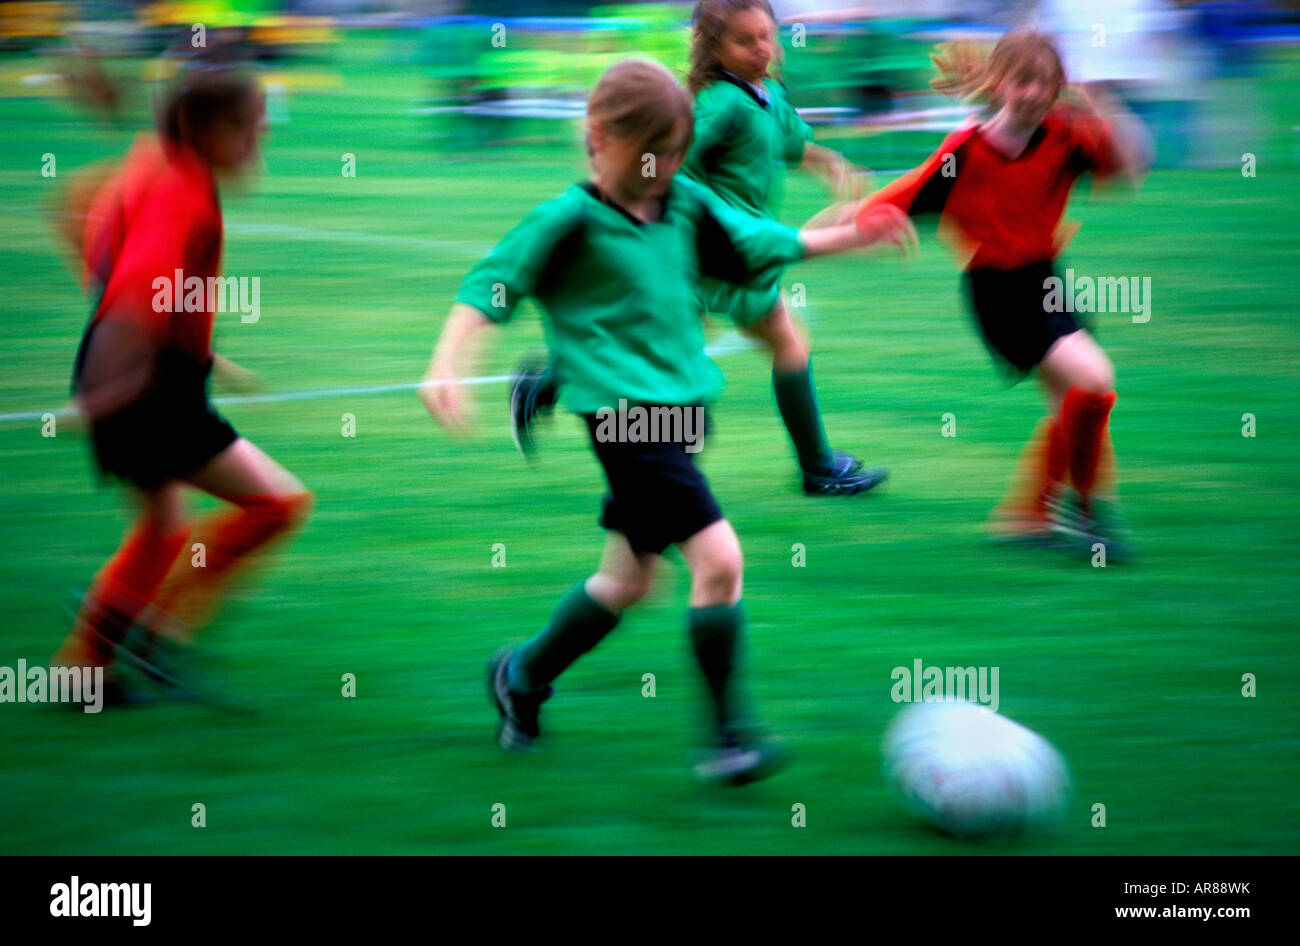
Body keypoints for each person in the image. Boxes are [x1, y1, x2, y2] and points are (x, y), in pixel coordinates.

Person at [421, 59, 915, 782]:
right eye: (650, 151)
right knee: (721, 562)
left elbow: (754, 246)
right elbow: (492, 281)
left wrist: (852, 235)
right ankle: (728, 740)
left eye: (677, 151)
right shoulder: (570, 218)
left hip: (681, 418)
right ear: (598, 138)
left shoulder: (681, 203)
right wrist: (447, 360)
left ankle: (521, 677)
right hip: (625, 426)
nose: (665, 166)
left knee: (627, 583)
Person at [510, 0, 887, 498]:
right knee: (771, 344)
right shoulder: (719, 103)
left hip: (733, 253)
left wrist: (828, 161)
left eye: (766, 36)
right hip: (720, 251)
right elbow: (668, 158)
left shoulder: (767, 94)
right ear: (714, 48)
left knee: (676, 335)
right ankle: (811, 469)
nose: (761, 48)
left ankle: (546, 386)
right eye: (745, 40)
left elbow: (789, 143)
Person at [53, 68, 312, 702]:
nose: (259, 140)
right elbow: (142, 293)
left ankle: (83, 668)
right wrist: (113, 388)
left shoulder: (155, 162)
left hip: (144, 374)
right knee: (277, 504)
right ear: (203, 128)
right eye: (246, 128)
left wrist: (198, 346)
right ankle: (157, 635)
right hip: (152, 393)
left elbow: (78, 208)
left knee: (161, 532)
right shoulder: (186, 193)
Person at [854, 29, 1151, 555]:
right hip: (997, 293)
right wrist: (857, 224)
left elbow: (1130, 169)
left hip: (1046, 282)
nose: (1035, 94)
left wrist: (1101, 103)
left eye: (1046, 83)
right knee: (1094, 379)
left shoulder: (1065, 134)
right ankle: (1085, 518)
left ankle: (1028, 519)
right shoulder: (964, 152)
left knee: (1076, 405)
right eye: (1023, 82)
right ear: (1000, 83)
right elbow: (898, 199)